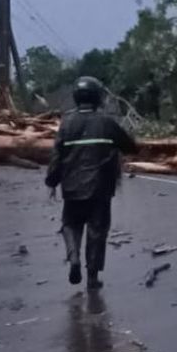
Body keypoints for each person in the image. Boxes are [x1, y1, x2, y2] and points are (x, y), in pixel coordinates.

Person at [46, 76, 137, 289]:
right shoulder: (107, 123)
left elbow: (56, 156)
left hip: (72, 188)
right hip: (100, 189)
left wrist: (51, 181)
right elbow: (130, 146)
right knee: (97, 231)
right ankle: (92, 278)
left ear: (76, 98)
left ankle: (74, 257)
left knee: (70, 225)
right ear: (97, 98)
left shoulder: (66, 124)